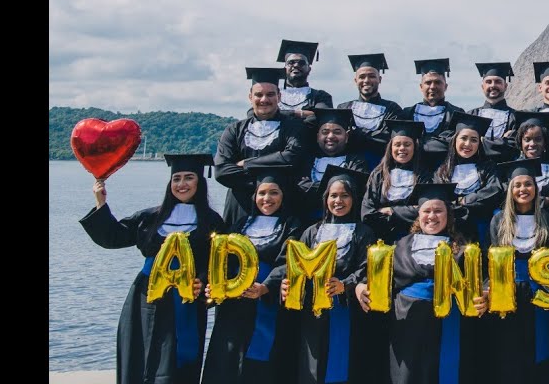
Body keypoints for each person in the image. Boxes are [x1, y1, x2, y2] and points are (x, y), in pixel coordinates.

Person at [80, 153, 224, 384]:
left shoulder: (212, 221)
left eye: (189, 178)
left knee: (176, 359)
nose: (182, 184)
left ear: (200, 181)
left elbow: (219, 263)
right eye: (176, 179)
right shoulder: (150, 217)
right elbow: (113, 237)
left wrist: (204, 282)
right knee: (139, 354)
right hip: (144, 298)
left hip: (186, 300)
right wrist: (101, 202)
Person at [355, 183, 489, 384]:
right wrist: (360, 286)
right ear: (419, 215)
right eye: (426, 211)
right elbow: (377, 276)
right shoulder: (400, 245)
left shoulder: (462, 249)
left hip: (447, 322)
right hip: (406, 323)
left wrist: (487, 292)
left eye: (438, 211)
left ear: (448, 215)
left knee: (443, 373)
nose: (432, 216)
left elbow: (485, 277)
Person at [275, 165, 380, 384]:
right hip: (313, 310)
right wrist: (288, 284)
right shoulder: (312, 231)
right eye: (333, 196)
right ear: (325, 199)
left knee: (343, 362)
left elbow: (366, 267)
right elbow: (295, 264)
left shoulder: (363, 232)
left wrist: (346, 284)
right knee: (312, 363)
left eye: (344, 195)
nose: (338, 201)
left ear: (354, 199)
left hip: (346, 308)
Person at [202, 165, 305, 384]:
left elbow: (289, 259)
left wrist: (266, 286)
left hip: (268, 301)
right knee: (228, 358)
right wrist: (216, 285)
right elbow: (225, 262)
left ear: (283, 196)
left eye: (274, 192)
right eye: (262, 193)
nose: (267, 198)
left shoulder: (291, 225)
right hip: (235, 305)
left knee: (262, 362)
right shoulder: (241, 225)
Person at [486, 157, 549, 381]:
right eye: (517, 185)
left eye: (528, 184)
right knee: (509, 349)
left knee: (540, 348)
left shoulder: (547, 220)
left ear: (536, 188)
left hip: (541, 293)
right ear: (510, 190)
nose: (523, 189)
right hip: (508, 293)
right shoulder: (498, 221)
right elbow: (493, 260)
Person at [216, 67, 308, 226]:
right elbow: (222, 171)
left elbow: (292, 158)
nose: (264, 99)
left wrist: (247, 164)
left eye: (270, 94)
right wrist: (271, 179)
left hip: (283, 206)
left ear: (279, 96)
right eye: (259, 94)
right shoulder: (234, 130)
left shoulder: (294, 128)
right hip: (240, 207)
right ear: (250, 97)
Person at [432, 111, 504, 246]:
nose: (468, 144)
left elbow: (493, 190)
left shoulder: (488, 167)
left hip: (481, 225)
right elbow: (440, 196)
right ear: (455, 140)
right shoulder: (443, 170)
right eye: (463, 138)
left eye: (474, 140)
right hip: (450, 226)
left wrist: (465, 200)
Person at [361, 120, 429, 242]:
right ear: (390, 147)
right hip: (381, 238)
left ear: (414, 146)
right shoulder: (379, 175)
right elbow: (367, 213)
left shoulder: (423, 175)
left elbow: (424, 209)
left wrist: (391, 211)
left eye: (407, 144)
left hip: (414, 237)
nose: (402, 148)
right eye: (397, 144)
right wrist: (407, 211)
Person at [299, 108, 372, 221]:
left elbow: (355, 188)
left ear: (347, 137)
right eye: (325, 132)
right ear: (318, 137)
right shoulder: (307, 160)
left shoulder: (356, 161)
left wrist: (313, 188)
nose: (331, 136)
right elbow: (300, 187)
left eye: (337, 132)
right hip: (309, 219)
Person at [337, 53, 404, 158]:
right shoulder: (344, 108)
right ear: (356, 81)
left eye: (372, 76)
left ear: (379, 79)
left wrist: (356, 133)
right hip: (349, 165)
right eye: (362, 77)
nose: (366, 80)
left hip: (380, 164)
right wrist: (374, 135)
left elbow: (387, 139)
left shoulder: (392, 109)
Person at [511, 110, 549, 220]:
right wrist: (546, 200)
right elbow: (509, 199)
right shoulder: (512, 169)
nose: (532, 144)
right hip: (517, 220)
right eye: (527, 139)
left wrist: (542, 218)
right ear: (521, 142)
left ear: (545, 142)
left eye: (538, 139)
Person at [406, 58, 466, 168]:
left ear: (446, 86)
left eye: (438, 82)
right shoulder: (408, 113)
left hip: (445, 170)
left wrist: (417, 143)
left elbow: (453, 143)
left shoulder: (456, 113)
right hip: (413, 170)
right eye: (428, 83)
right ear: (421, 87)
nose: (432, 87)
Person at [469, 61, 520, 160]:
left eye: (498, 82)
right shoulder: (471, 115)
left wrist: (481, 140)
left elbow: (513, 148)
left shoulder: (516, 117)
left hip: (505, 171)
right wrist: (502, 141)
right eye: (488, 82)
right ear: (482, 87)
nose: (493, 85)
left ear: (505, 86)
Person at [276, 39, 334, 118]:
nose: (296, 65)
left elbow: (322, 117)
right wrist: (306, 114)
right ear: (284, 69)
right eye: (291, 62)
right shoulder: (272, 94)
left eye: (301, 63)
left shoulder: (320, 96)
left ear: (309, 69)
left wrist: (281, 113)